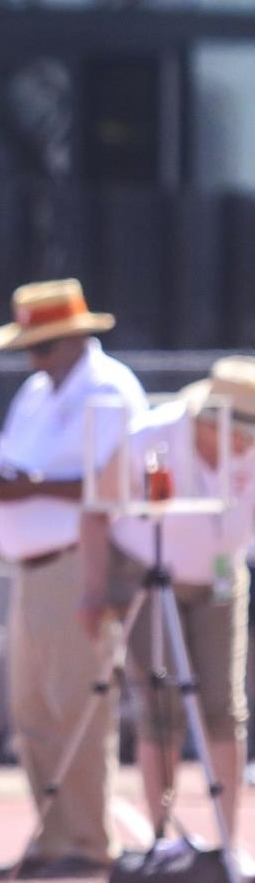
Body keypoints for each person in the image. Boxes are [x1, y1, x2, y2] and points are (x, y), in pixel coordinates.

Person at [0, 279, 147, 880]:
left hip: (76, 563)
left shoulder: (110, 390)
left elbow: (111, 484)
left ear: (70, 339)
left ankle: (87, 841)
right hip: (30, 569)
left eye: (39, 345)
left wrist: (26, 487)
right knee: (31, 707)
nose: (30, 358)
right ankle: (51, 839)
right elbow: (9, 469)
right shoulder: (35, 393)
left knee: (77, 703)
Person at [79, 356, 255, 848]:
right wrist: (94, 589)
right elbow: (95, 510)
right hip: (148, 578)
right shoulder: (148, 439)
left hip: (221, 580)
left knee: (224, 707)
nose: (245, 443)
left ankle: (226, 840)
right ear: (207, 419)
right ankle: (159, 837)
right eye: (239, 430)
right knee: (160, 707)